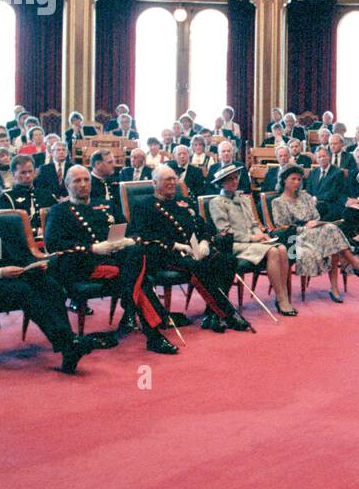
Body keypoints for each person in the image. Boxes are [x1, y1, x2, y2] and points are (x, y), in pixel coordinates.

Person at [0, 181, 100, 373]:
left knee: (51, 286)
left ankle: (68, 343)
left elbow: (23, 254)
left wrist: (35, 265)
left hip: (14, 275)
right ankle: (67, 343)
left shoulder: (4, 226)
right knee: (24, 292)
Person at [44, 165, 179, 354]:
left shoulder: (105, 204)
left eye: (86, 180)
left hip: (115, 260)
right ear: (67, 185)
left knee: (136, 252)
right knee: (141, 279)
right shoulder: (59, 211)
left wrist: (124, 241)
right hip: (83, 265)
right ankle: (152, 333)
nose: (83, 184)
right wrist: (92, 248)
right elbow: (54, 245)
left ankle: (141, 322)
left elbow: (129, 229)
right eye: (77, 181)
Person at [126, 166, 251, 332]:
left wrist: (205, 242)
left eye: (173, 179)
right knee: (198, 266)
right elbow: (141, 236)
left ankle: (211, 314)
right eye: (167, 180)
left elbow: (203, 226)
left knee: (227, 261)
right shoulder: (143, 205)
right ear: (155, 183)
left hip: (193, 251)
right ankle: (226, 314)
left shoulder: (183, 202)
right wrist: (175, 245)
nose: (172, 183)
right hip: (165, 255)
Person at [271, 165, 359, 304]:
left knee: (330, 232)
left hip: (316, 232)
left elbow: (316, 216)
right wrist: (303, 226)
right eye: (293, 179)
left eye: (299, 179)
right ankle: (352, 264)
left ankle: (336, 286)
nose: (297, 182)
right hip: (295, 237)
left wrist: (313, 223)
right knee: (331, 231)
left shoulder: (306, 196)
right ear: (284, 180)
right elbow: (282, 227)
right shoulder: (278, 202)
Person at [206, 165, 297, 316]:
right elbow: (225, 232)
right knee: (273, 251)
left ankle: (283, 296)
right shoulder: (217, 203)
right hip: (234, 245)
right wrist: (253, 238)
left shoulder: (244, 199)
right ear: (221, 183)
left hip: (252, 242)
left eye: (236, 178)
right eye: (230, 179)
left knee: (281, 248)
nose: (235, 182)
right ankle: (282, 300)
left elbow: (254, 224)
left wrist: (262, 235)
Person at [0, 154, 56, 231]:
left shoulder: (46, 194)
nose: (28, 175)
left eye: (30, 171)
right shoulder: (7, 197)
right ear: (13, 174)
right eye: (23, 172)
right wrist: (35, 231)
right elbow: (8, 227)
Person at [306, 146, 347, 221]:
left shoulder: (338, 173)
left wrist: (316, 198)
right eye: (319, 157)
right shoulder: (313, 172)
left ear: (329, 156)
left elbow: (334, 193)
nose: (322, 159)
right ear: (316, 159)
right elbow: (309, 190)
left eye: (324, 156)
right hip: (313, 204)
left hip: (330, 205)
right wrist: (310, 200)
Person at [89, 150, 124, 221]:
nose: (114, 165)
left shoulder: (115, 180)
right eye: (110, 162)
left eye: (114, 161)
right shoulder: (88, 184)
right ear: (97, 164)